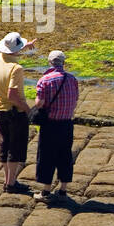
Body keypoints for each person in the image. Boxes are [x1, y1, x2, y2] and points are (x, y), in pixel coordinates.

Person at [32, 49, 79, 203]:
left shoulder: (45, 80)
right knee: (65, 156)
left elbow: (39, 104)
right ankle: (63, 190)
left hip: (50, 125)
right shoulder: (72, 79)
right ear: (63, 63)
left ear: (50, 62)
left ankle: (46, 192)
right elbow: (76, 98)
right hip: (66, 124)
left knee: (47, 157)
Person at [0, 31, 35, 194]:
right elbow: (12, 94)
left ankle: (7, 180)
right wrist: (27, 109)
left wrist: (24, 47)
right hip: (15, 112)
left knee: (4, 144)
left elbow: (9, 56)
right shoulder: (17, 69)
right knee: (15, 148)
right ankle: (11, 183)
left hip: (0, 110)